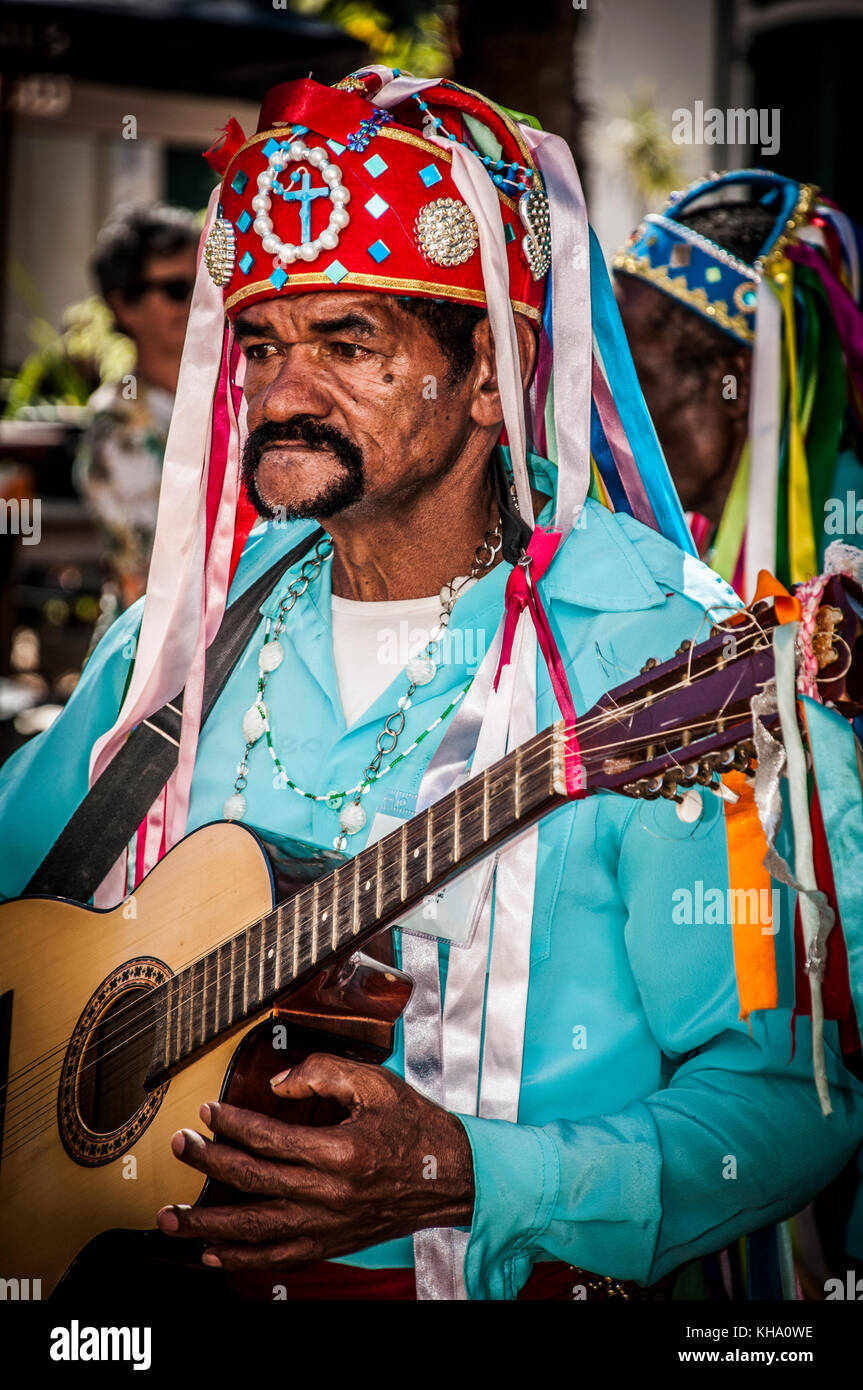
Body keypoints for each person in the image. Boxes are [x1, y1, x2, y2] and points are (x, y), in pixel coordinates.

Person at [1, 70, 862, 1304]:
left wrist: (474, 1174)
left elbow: (790, 1101)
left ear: (485, 371)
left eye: (349, 341)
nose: (283, 395)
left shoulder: (651, 660)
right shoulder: (184, 635)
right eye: (263, 344)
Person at [613, 170, 863, 599]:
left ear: (736, 381)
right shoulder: (683, 552)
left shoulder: (847, 550)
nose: (605, 413)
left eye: (634, 380)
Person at [74, 202, 200, 609]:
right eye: (177, 289)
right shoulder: (114, 426)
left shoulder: (248, 389)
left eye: (207, 285)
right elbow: (160, 565)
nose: (197, 302)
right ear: (124, 306)